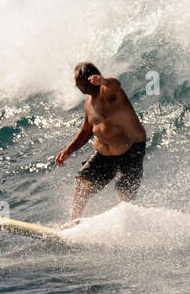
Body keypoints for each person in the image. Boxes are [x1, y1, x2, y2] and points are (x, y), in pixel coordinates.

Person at [54, 62, 147, 223]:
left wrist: (103, 81)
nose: (75, 84)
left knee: (124, 190)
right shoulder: (89, 103)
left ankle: (128, 225)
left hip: (131, 150)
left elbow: (116, 84)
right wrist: (68, 150)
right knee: (83, 183)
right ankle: (73, 222)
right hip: (104, 155)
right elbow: (86, 131)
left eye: (77, 80)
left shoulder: (109, 92)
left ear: (86, 80)